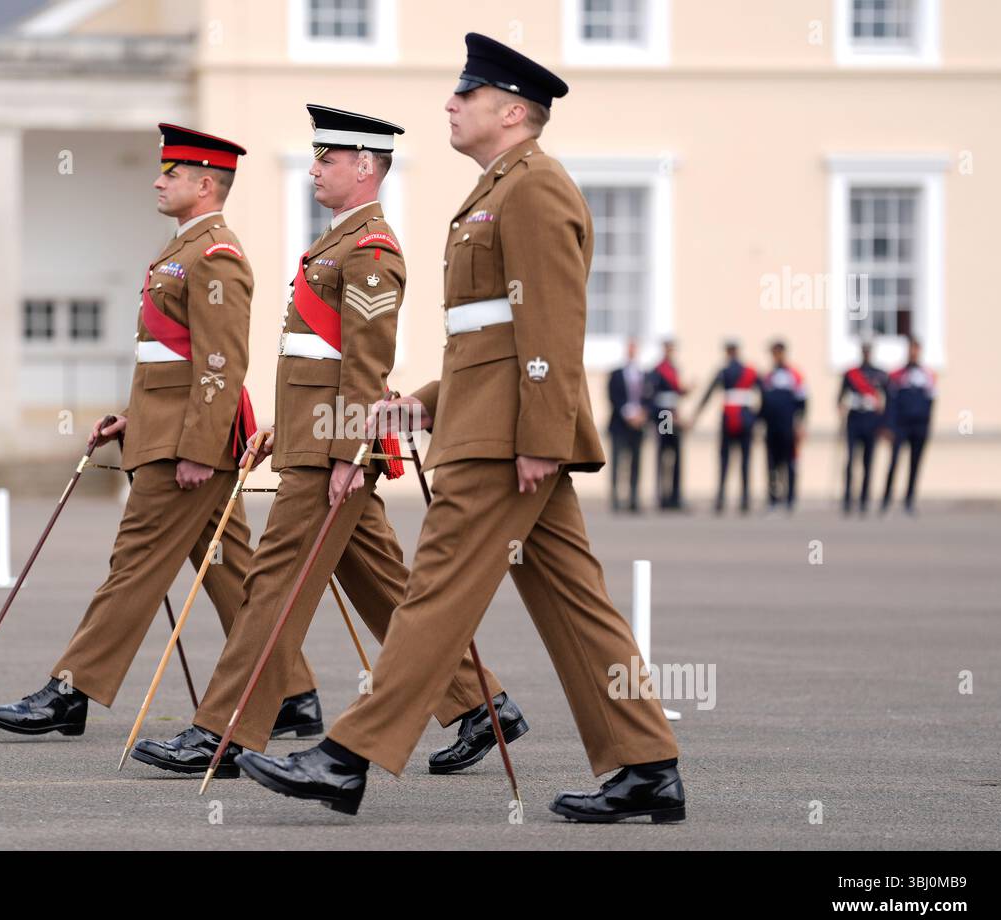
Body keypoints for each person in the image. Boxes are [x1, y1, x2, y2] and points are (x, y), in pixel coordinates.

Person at [233, 35, 683, 822]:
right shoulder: (500, 188)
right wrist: (426, 403)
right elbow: (491, 335)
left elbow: (553, 326)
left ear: (512, 112)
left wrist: (542, 435)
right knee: (573, 598)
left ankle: (348, 756)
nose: (450, 103)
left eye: (466, 95)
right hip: (489, 421)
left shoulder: (533, 188)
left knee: (437, 589)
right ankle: (645, 764)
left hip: (508, 438)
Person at [131, 105, 526, 781]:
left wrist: (345, 454)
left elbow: (366, 366)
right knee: (384, 587)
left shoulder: (372, 251)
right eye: (316, 158)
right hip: (317, 441)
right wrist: (287, 427)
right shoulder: (339, 243)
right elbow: (318, 360)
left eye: (328, 159)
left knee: (272, 587)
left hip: (331, 455)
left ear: (366, 167)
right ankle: (480, 703)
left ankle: (223, 732)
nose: (314, 169)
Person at [0, 125, 320, 738]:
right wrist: (134, 419)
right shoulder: (184, 249)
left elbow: (222, 363)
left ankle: (71, 689)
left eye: (172, 173)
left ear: (206, 183)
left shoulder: (215, 255)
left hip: (186, 450)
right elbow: (174, 363)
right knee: (232, 569)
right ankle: (292, 691)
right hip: (171, 435)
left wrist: (195, 446)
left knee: (133, 566)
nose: (158, 181)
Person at [690, 338, 761, 514]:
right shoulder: (750, 371)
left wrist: (695, 415)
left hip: (729, 418)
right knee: (745, 460)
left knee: (725, 460)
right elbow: (763, 392)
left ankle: (721, 498)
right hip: (745, 417)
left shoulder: (724, 371)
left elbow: (709, 393)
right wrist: (757, 418)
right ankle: (744, 499)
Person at [881, 336, 936, 514]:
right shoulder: (897, 375)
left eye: (916, 349)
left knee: (915, 463)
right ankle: (886, 499)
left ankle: (909, 500)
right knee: (894, 461)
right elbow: (890, 403)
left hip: (919, 426)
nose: (913, 352)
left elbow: (931, 402)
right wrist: (888, 426)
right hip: (900, 425)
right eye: (911, 348)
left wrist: (928, 426)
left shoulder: (927, 375)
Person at [837, 341, 888, 515]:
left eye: (868, 351)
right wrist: (842, 406)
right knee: (851, 460)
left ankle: (864, 499)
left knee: (868, 462)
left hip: (871, 420)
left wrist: (884, 423)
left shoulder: (879, 374)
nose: (866, 354)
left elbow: (887, 400)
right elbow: (840, 397)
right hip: (854, 419)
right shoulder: (851, 374)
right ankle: (847, 499)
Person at [757, 340, 807, 513]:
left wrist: (800, 424)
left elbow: (803, 402)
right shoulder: (768, 377)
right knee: (772, 464)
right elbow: (763, 405)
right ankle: (773, 498)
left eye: (778, 352)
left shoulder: (794, 375)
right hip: (772, 427)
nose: (776, 356)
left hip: (788, 426)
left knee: (789, 463)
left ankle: (791, 498)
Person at [646, 337, 690, 511]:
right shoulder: (659, 370)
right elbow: (653, 396)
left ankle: (675, 495)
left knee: (676, 454)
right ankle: (663, 495)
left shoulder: (673, 369)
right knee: (664, 454)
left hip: (673, 413)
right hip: (664, 415)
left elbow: (676, 394)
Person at [607, 338, 647, 513]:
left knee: (636, 462)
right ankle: (615, 497)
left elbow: (649, 399)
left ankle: (633, 497)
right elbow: (613, 397)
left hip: (639, 425)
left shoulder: (644, 374)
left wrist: (642, 414)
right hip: (620, 424)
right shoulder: (616, 374)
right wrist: (628, 414)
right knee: (617, 461)